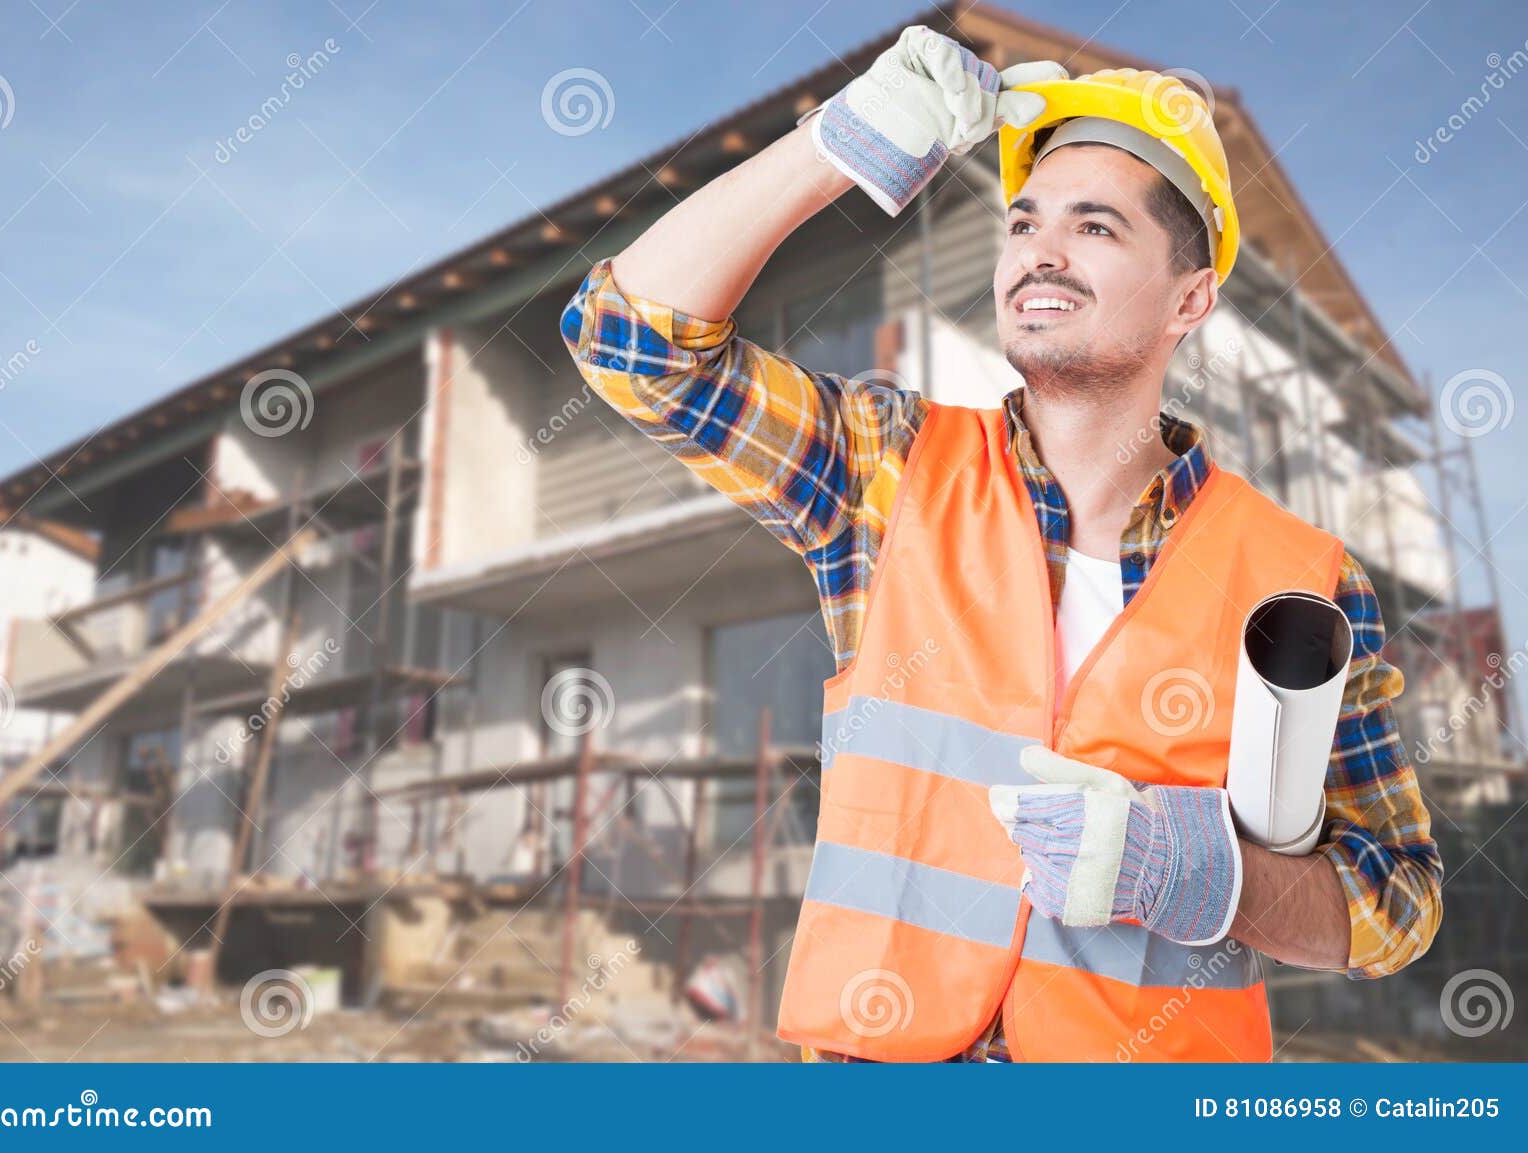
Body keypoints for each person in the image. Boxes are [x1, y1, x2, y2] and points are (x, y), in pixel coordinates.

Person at [559, 26, 1442, 1062]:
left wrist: (1198, 873)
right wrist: (836, 144)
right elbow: (627, 342)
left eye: (1095, 227)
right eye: (1022, 222)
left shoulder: (1306, 581)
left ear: (1190, 301)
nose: (1039, 251)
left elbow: (1397, 903)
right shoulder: (888, 471)